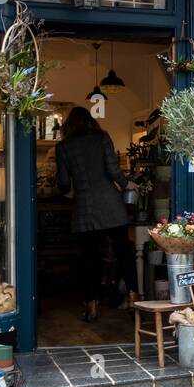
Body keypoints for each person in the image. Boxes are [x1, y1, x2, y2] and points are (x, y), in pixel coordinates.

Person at [56, 106, 138, 321]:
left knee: (90, 259)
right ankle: (133, 297)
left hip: (85, 209)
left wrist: (72, 190)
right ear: (91, 121)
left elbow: (63, 183)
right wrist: (127, 183)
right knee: (123, 252)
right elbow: (113, 170)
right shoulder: (102, 138)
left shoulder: (63, 146)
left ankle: (91, 306)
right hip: (111, 205)